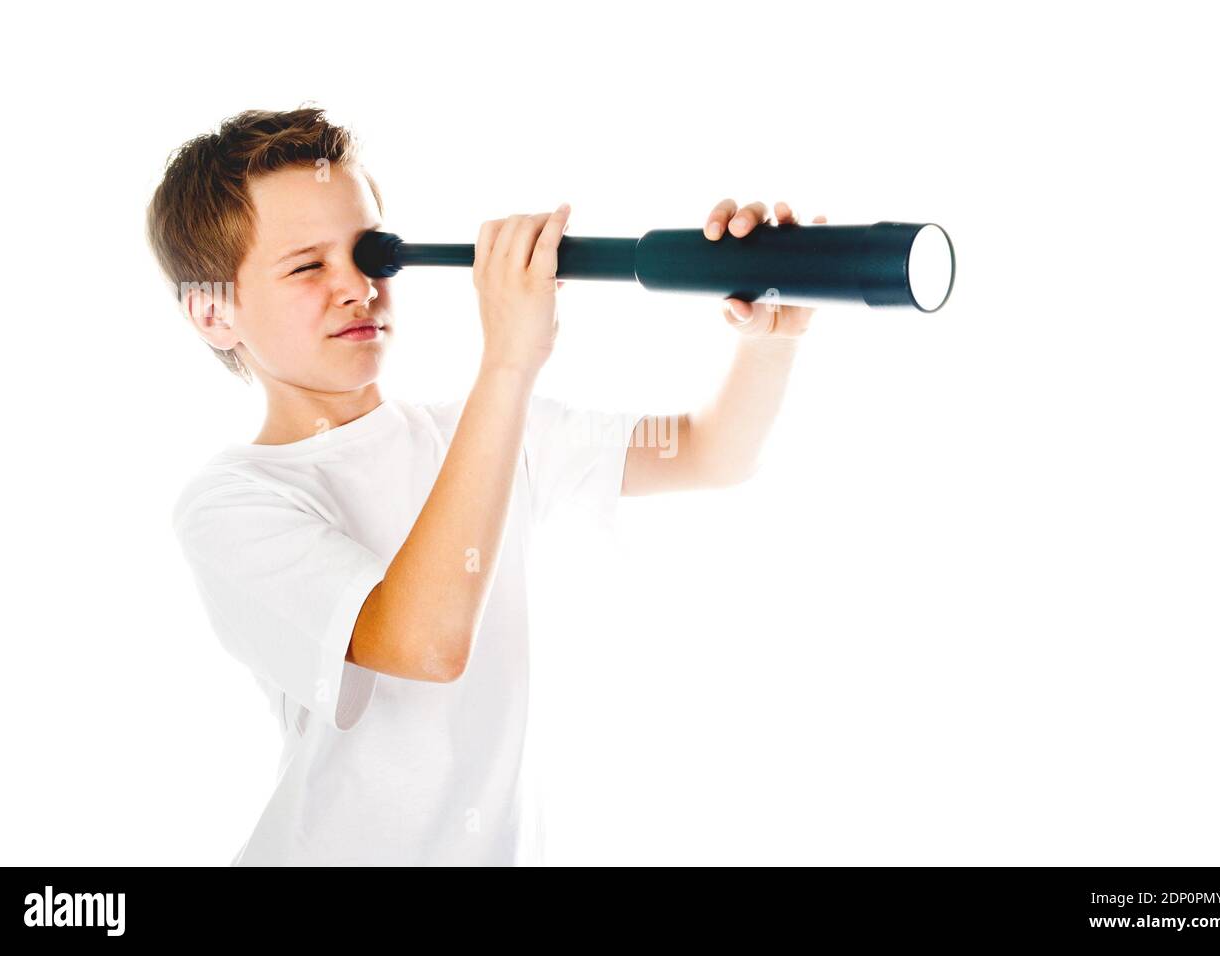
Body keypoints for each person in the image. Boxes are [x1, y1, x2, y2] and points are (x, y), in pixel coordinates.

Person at [148, 106, 825, 865]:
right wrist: (507, 362)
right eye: (308, 266)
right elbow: (424, 642)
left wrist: (773, 337)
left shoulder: (482, 432)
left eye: (371, 252)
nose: (358, 288)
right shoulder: (232, 503)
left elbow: (712, 453)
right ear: (214, 314)